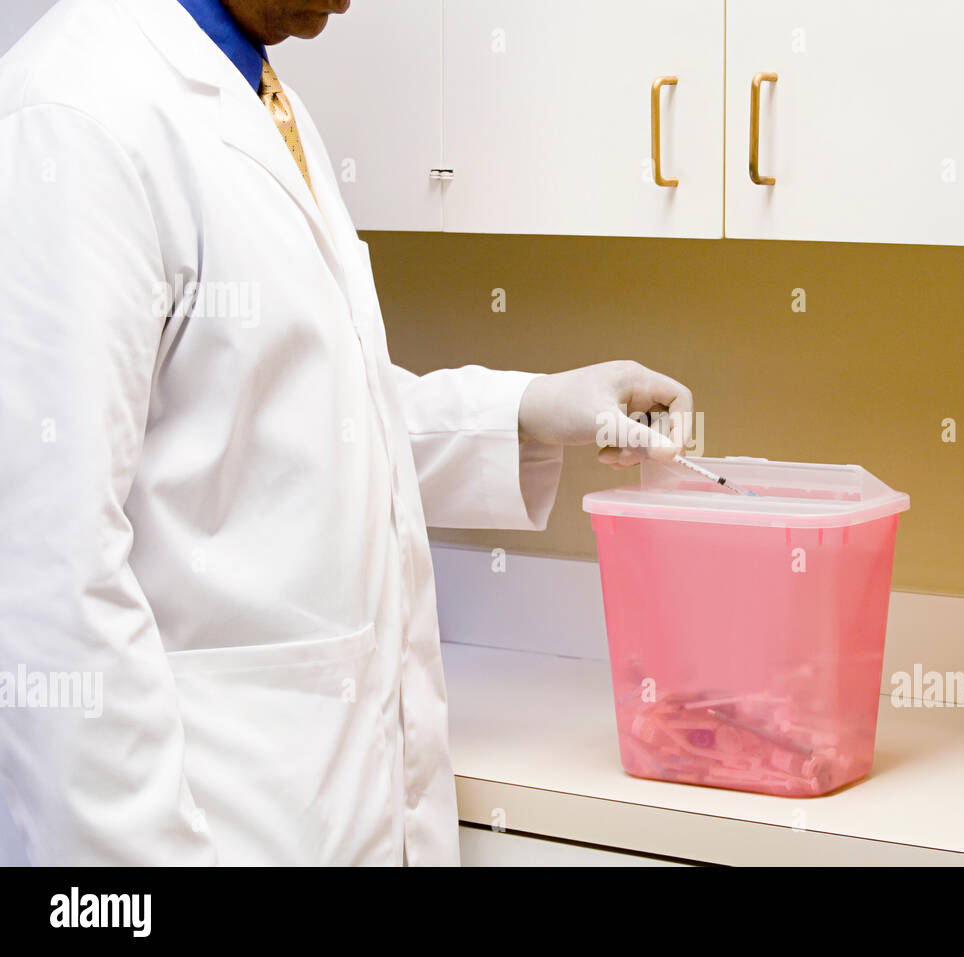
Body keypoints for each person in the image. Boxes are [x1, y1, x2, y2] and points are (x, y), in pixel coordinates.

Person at [0, 0, 693, 865]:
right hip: (209, 832)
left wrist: (528, 408)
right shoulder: (74, 112)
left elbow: (312, 415)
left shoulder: (255, 94)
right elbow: (43, 578)